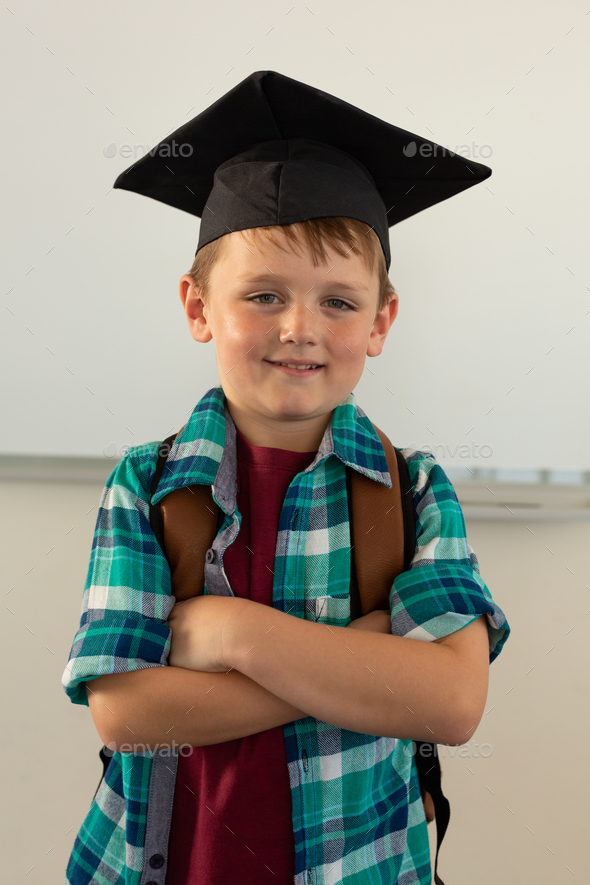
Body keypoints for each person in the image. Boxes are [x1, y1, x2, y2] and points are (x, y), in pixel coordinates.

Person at [61, 71, 510, 885]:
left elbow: (451, 704)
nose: (300, 327)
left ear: (381, 321)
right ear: (199, 308)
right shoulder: (147, 485)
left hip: (362, 866)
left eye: (339, 302)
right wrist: (368, 670)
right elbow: (127, 713)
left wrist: (233, 634)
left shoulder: (413, 492)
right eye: (263, 295)